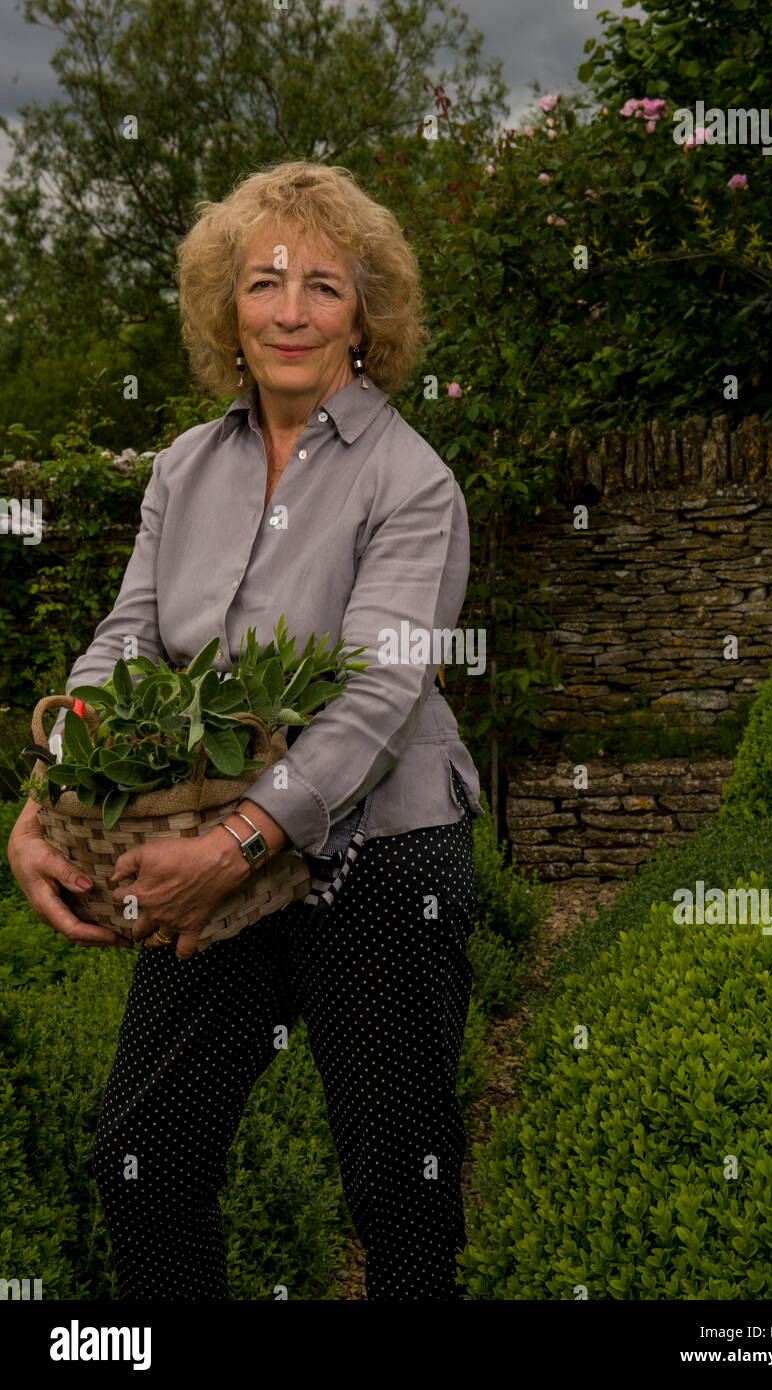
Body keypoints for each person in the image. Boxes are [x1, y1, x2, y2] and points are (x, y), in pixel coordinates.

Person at [7, 159, 485, 1301]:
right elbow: (125, 646)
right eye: (264, 281)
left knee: (400, 1190)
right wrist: (45, 798)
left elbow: (376, 697)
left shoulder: (413, 484)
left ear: (366, 318)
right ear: (227, 305)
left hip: (381, 857)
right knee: (143, 1158)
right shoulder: (184, 466)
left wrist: (226, 852)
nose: (290, 309)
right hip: (211, 858)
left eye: (325, 285)